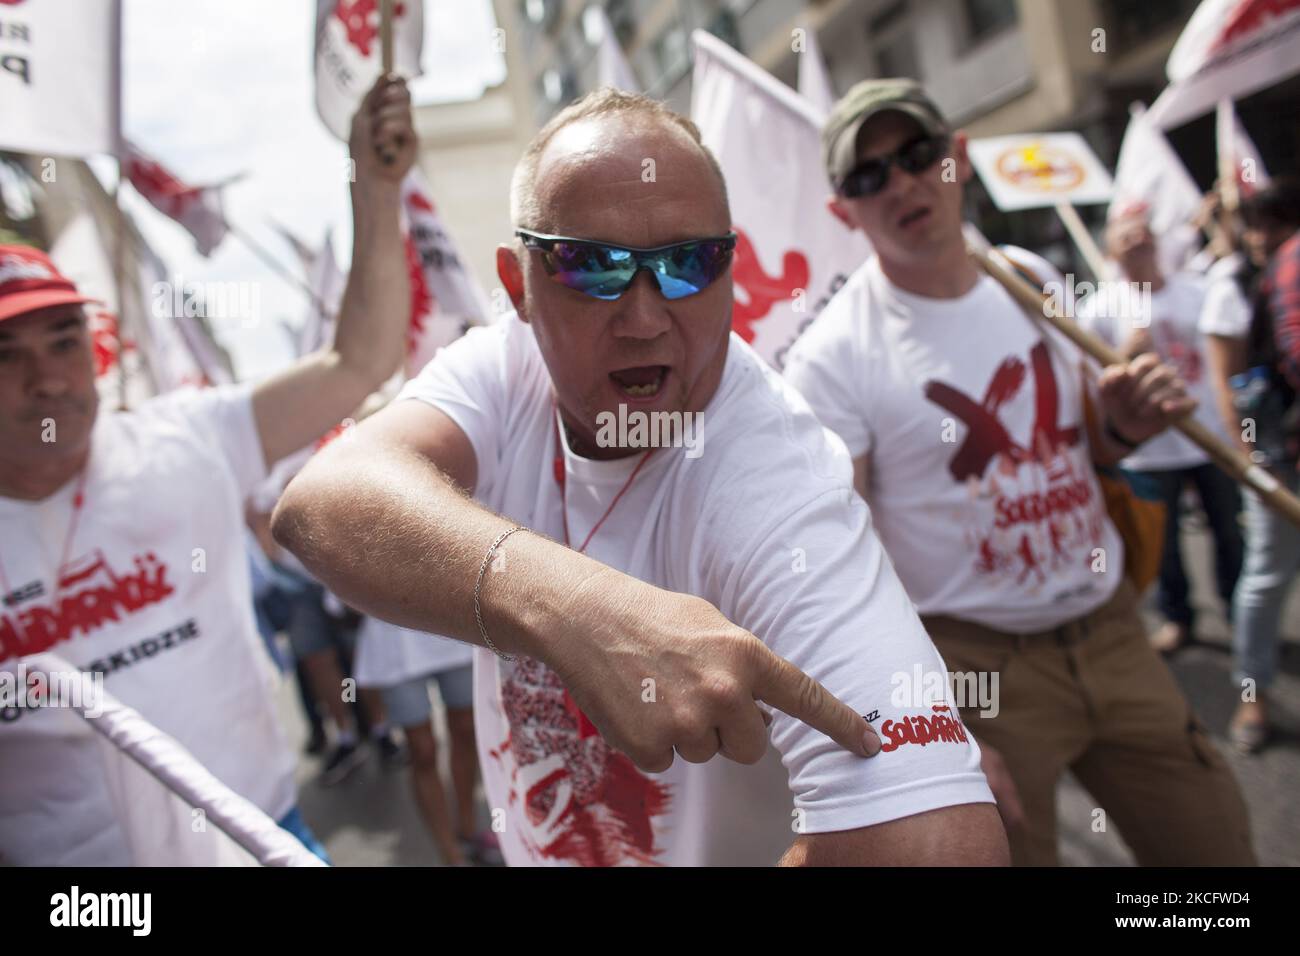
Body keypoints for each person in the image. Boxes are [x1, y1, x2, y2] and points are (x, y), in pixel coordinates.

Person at [272, 88, 1008, 867]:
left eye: (689, 264)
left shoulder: (773, 483)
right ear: (518, 286)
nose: (646, 316)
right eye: (592, 266)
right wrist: (579, 610)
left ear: (730, 264)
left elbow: (943, 844)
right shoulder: (510, 368)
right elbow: (322, 502)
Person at [783, 78, 1255, 866]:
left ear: (957, 159)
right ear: (843, 210)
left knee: (1216, 861)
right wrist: (930, 725)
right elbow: (840, 566)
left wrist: (1123, 425)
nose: (900, 182)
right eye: (868, 177)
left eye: (917, 155)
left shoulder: (1027, 275)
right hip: (976, 670)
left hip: (1111, 631)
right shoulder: (832, 358)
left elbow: (1090, 444)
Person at [0, 75, 416, 864]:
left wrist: (375, 187)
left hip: (263, 839)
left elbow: (358, 360)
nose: (48, 378)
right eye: (6, 355)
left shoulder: (190, 437)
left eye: (62, 341)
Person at [1077, 202, 1242, 654]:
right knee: (1163, 542)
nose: (1137, 241)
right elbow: (1089, 383)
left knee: (1229, 530)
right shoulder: (1100, 309)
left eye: (1142, 233)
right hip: (1149, 451)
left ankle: (1240, 614)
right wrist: (1124, 355)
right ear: (1111, 251)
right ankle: (1178, 617)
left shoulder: (1197, 292)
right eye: (1125, 237)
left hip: (1208, 437)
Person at [1202, 178, 1300, 752]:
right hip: (1275, 456)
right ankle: (1251, 695)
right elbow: (1225, 378)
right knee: (1265, 578)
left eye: (1276, 225)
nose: (1263, 238)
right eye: (1254, 225)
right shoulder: (1231, 285)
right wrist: (1249, 462)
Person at [355, 618, 499, 865]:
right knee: (422, 750)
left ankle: (469, 830)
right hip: (391, 634)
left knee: (466, 730)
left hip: (448, 622)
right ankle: (450, 854)